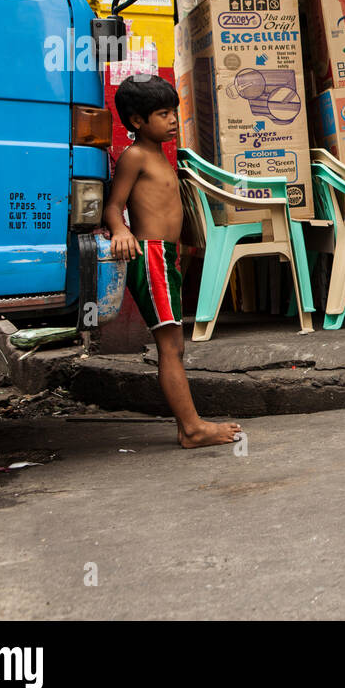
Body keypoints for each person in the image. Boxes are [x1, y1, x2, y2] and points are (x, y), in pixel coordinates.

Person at [104, 75, 243, 448]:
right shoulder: (135, 156)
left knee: (175, 345)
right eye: (162, 113)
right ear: (137, 121)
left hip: (166, 256)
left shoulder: (162, 156)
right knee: (169, 346)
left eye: (173, 112)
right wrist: (120, 231)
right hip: (149, 255)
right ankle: (193, 428)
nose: (171, 120)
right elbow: (113, 206)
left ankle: (188, 427)